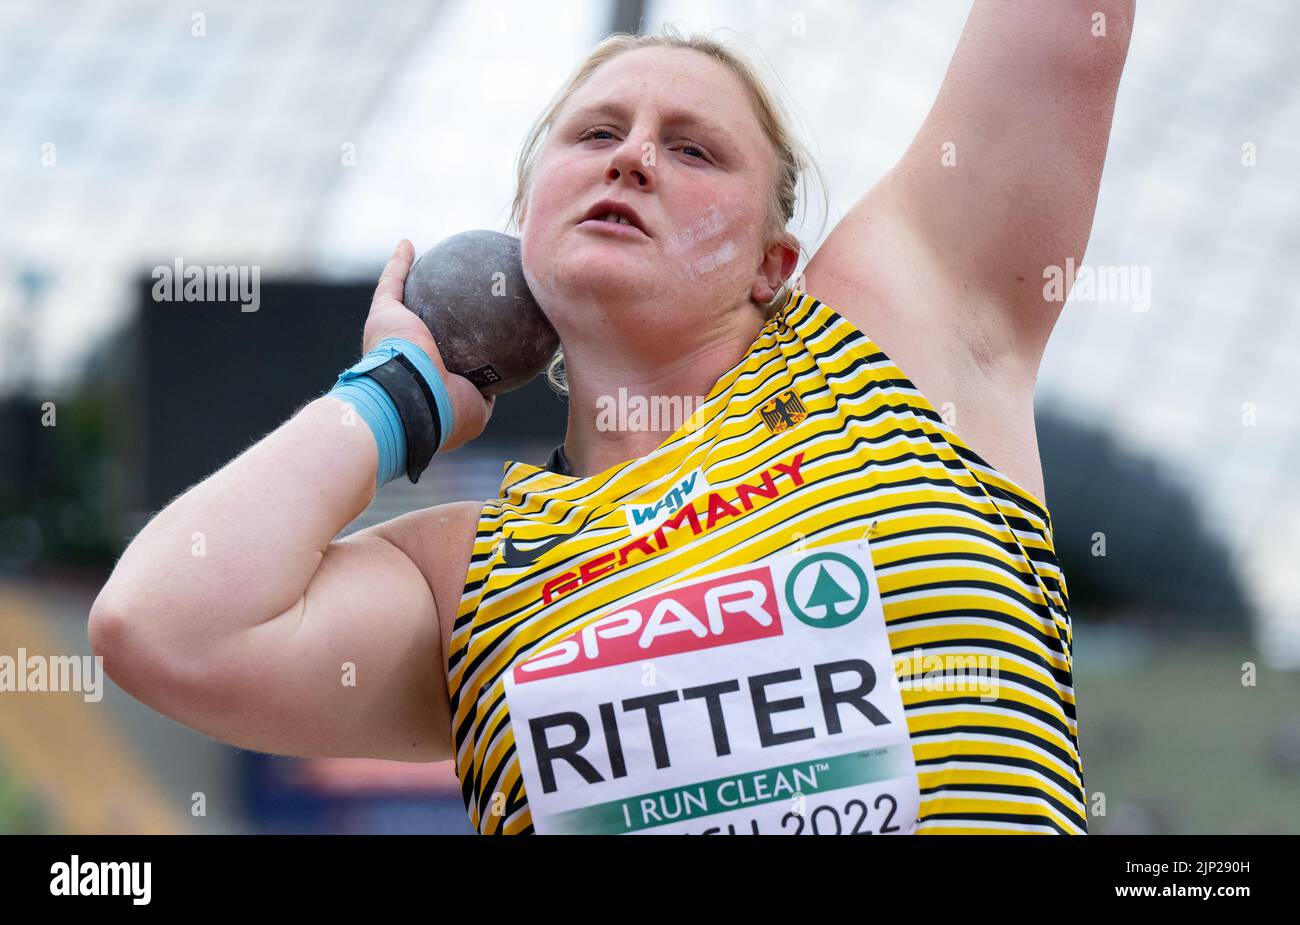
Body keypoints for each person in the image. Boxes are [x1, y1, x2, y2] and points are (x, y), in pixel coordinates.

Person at [90, 6, 1133, 835]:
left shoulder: (899, 335)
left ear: (776, 266)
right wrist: (395, 396)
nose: (631, 158)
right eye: (596, 134)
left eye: (693, 152)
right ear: (522, 229)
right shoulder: (470, 581)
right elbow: (164, 627)